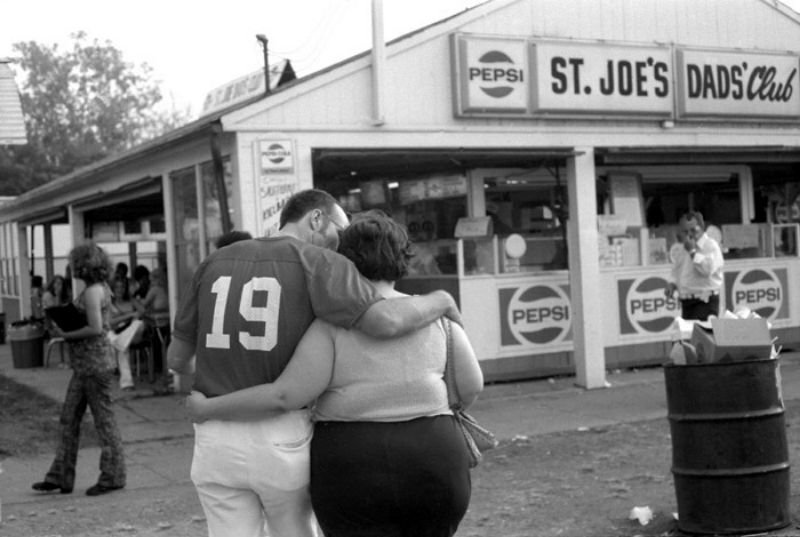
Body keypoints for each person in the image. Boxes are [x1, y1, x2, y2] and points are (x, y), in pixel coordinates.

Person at [168, 189, 461, 537]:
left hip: (214, 434)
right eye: (340, 229)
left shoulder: (213, 261)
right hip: (280, 433)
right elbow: (386, 322)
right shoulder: (320, 262)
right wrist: (441, 300)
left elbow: (178, 360)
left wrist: (227, 367)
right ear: (316, 218)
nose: (341, 241)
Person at [32, 242, 126, 496]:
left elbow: (95, 328)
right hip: (87, 366)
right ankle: (60, 475)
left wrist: (65, 334)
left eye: (75, 263)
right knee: (69, 418)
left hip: (94, 366)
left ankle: (113, 476)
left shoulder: (93, 292)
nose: (71, 267)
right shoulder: (99, 288)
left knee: (104, 422)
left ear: (84, 266)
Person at [664, 210, 724, 321]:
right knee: (688, 331)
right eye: (685, 232)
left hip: (705, 301)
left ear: (702, 228)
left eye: (693, 230)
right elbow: (677, 270)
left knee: (700, 331)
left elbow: (707, 270)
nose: (689, 235)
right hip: (687, 302)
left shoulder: (710, 246)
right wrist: (672, 284)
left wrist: (692, 252)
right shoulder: (683, 248)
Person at [109, 277, 140, 390]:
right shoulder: (110, 303)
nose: (119, 290)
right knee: (122, 348)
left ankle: (119, 344)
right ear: (112, 289)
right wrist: (129, 315)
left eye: (122, 287)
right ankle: (127, 383)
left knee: (139, 323)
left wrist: (124, 317)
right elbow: (110, 322)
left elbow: (142, 312)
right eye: (117, 287)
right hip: (118, 333)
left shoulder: (131, 300)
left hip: (132, 333)